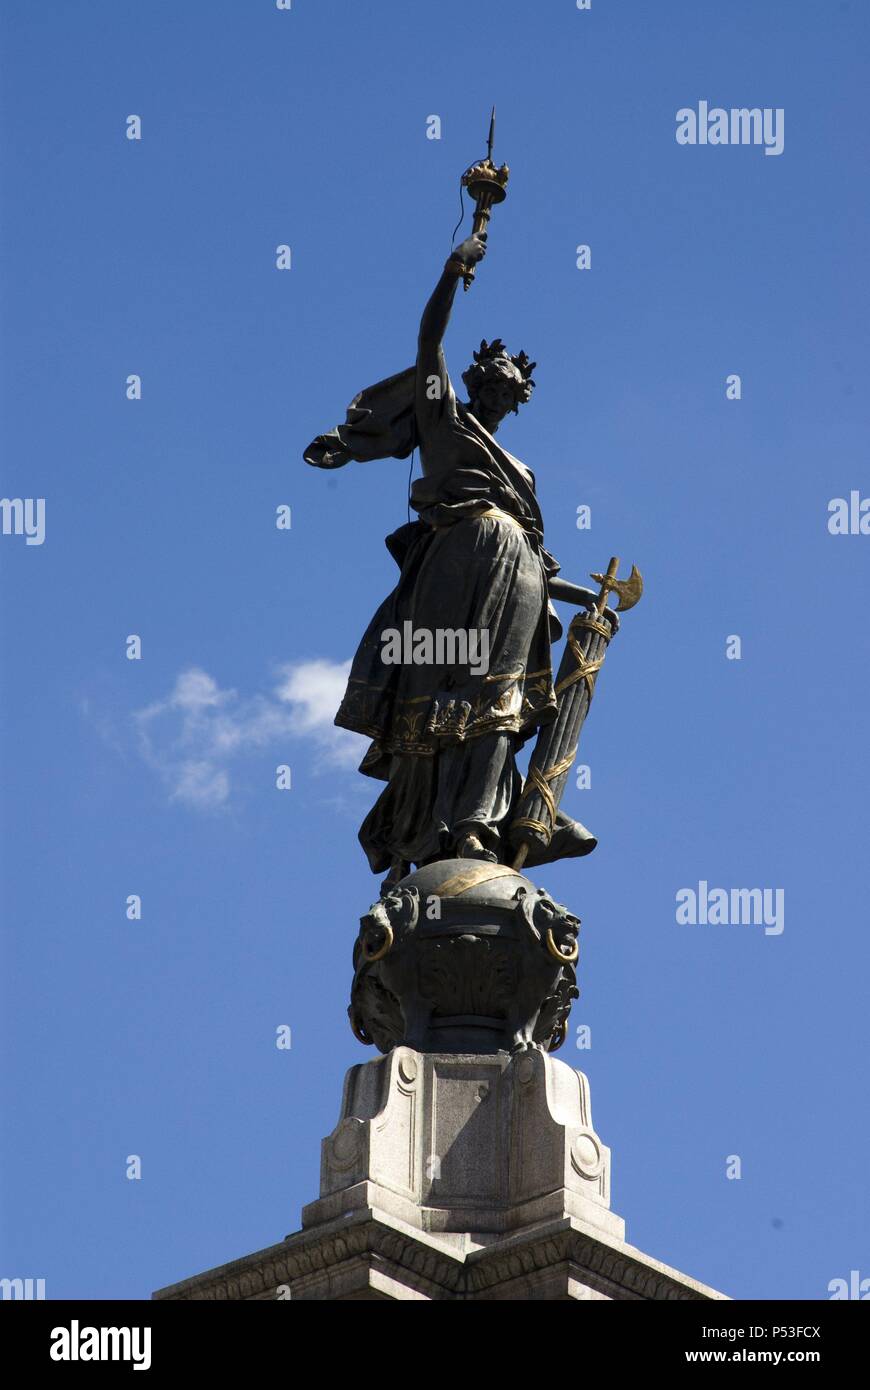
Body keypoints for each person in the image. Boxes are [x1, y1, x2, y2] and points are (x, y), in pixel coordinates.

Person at [305, 235, 601, 883]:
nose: (501, 388)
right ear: (471, 381)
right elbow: (427, 343)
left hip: (517, 568)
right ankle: (421, 825)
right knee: (437, 683)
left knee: (502, 700)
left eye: (512, 386)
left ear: (519, 399)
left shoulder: (521, 469)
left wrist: (596, 601)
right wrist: (454, 269)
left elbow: (541, 561)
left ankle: (476, 823)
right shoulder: (445, 423)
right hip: (455, 555)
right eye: (492, 378)